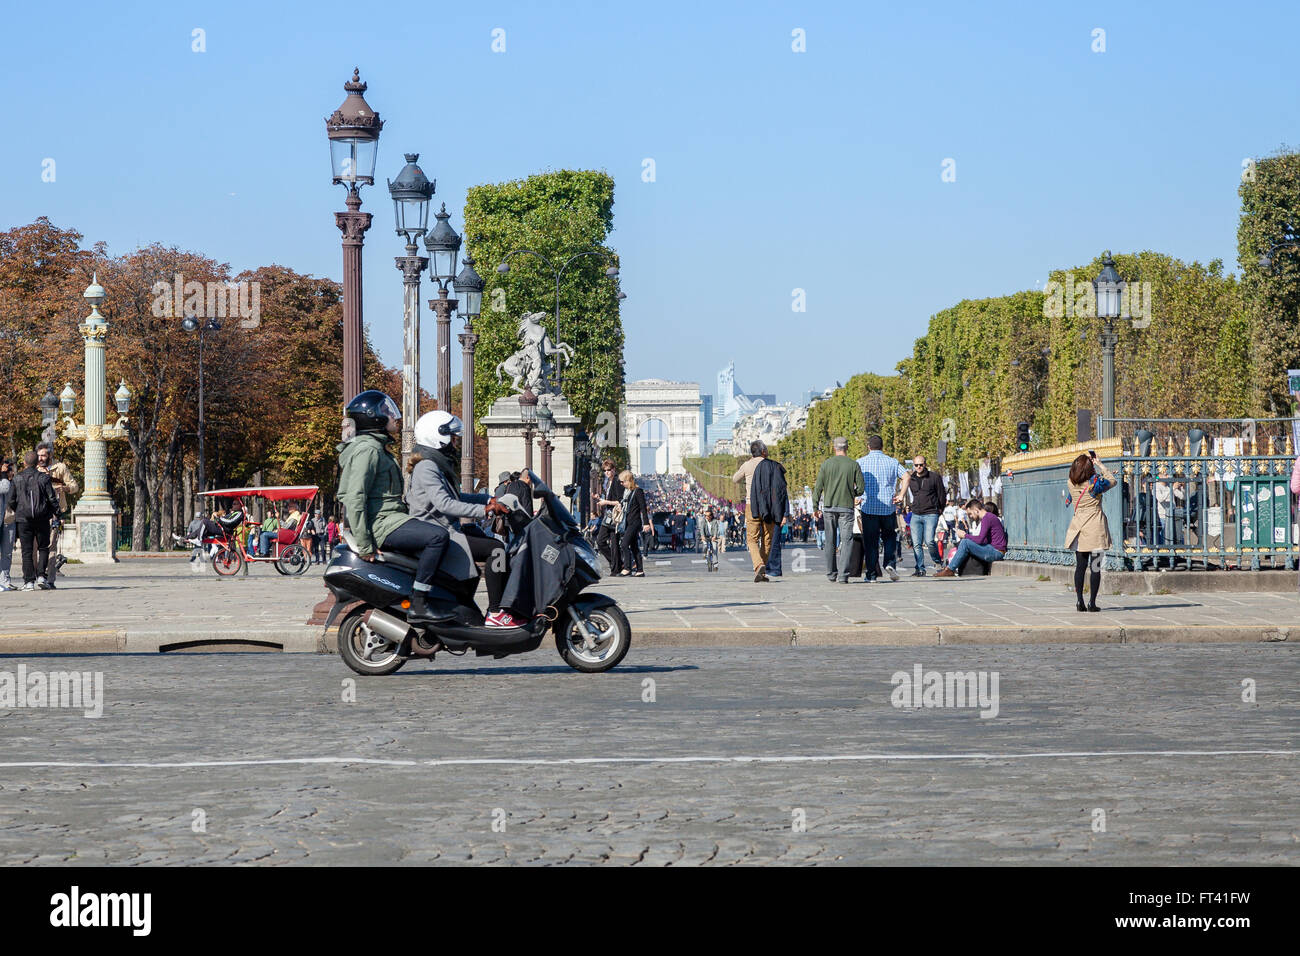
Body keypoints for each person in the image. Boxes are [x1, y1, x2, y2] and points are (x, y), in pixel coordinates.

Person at [336, 390, 450, 626]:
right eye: (387, 412)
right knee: (437, 537)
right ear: (373, 418)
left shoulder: (374, 447)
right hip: (383, 523)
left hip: (390, 518)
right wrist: (365, 545)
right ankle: (420, 603)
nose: (393, 417)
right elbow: (356, 497)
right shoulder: (368, 450)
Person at [407, 410, 518, 627]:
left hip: (446, 527)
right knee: (496, 549)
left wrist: (489, 498)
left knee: (478, 543)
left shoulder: (433, 464)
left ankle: (464, 608)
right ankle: (495, 613)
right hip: (438, 530)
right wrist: (486, 510)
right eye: (452, 437)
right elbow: (445, 504)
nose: (455, 442)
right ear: (437, 437)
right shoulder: (427, 467)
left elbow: (456, 497)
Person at [1061, 450, 1116, 610]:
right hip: (1095, 528)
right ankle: (1092, 602)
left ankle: (1079, 601)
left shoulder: (1070, 483)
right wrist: (1099, 464)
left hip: (1079, 528)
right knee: (1095, 567)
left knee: (1080, 567)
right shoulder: (1095, 485)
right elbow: (1112, 481)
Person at [812, 436, 864, 584]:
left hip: (829, 507)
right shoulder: (853, 465)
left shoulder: (826, 464)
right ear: (847, 448)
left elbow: (818, 488)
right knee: (846, 541)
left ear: (834, 448)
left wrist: (815, 507)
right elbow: (860, 488)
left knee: (830, 541)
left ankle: (831, 573)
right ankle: (843, 575)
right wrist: (851, 493)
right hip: (846, 507)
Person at [856, 435, 907, 582]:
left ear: (868, 447)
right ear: (882, 447)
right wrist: (901, 495)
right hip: (888, 507)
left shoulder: (860, 462)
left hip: (869, 507)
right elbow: (906, 477)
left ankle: (871, 574)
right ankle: (890, 563)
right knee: (889, 537)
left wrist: (856, 496)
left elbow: (854, 483)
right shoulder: (892, 462)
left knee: (871, 542)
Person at [9, 450, 59, 591]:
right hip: (42, 518)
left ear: (24, 463)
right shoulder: (44, 478)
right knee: (43, 547)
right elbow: (51, 499)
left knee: (27, 550)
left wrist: (18, 510)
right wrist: (55, 513)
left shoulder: (17, 479)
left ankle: (29, 581)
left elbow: (11, 500)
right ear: (37, 462)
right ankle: (42, 576)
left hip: (23, 519)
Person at [36, 442, 78, 586]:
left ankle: (50, 578)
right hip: (37, 513)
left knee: (51, 546)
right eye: (39, 455)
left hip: (54, 513)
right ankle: (38, 575)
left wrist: (64, 488)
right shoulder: (34, 469)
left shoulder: (60, 468)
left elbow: (74, 486)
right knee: (36, 546)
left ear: (50, 455)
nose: (40, 458)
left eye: (43, 455)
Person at [896, 454, 946, 577]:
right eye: (916, 465)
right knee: (916, 543)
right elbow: (905, 490)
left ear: (925, 464)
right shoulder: (911, 478)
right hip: (916, 513)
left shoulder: (934, 477)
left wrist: (940, 510)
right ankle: (920, 568)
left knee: (929, 541)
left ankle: (937, 562)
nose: (919, 467)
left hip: (931, 513)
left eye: (921, 465)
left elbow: (942, 495)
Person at [935, 499, 1006, 577]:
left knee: (965, 542)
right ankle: (950, 569)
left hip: (996, 551)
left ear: (976, 510)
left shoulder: (987, 518)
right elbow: (984, 540)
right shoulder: (988, 517)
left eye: (970, 514)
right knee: (966, 542)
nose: (970, 517)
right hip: (994, 549)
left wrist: (965, 535)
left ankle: (950, 569)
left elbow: (980, 539)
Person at [751, 445, 789, 581]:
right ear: (764, 452)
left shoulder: (758, 468)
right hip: (776, 510)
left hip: (761, 509)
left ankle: (761, 565)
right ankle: (771, 568)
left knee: (754, 539)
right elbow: (784, 492)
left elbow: (754, 490)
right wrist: (785, 513)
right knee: (771, 541)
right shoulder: (778, 467)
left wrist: (755, 511)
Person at [617, 470, 650, 576]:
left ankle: (627, 568)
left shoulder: (638, 491)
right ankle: (640, 570)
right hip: (627, 522)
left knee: (624, 544)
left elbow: (643, 508)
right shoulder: (626, 492)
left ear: (629, 480)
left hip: (635, 522)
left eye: (623, 482)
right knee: (634, 546)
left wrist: (646, 523)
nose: (621, 484)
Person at [0, 459, 16, 591]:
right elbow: (4, 488)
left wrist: (9, 477)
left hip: (8, 519)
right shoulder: (4, 481)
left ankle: (5, 579)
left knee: (7, 551)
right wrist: (4, 476)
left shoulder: (11, 481)